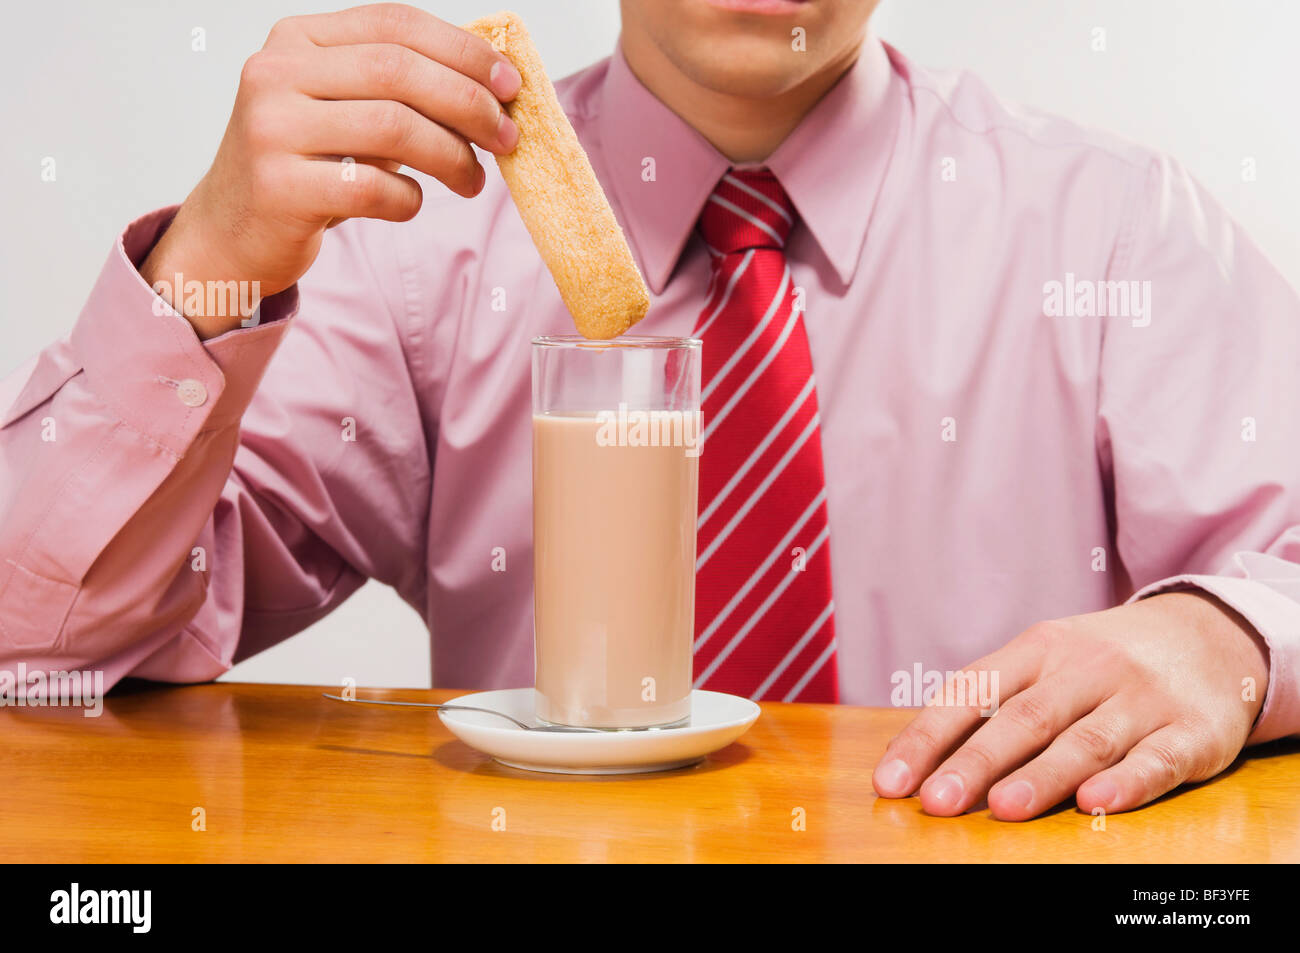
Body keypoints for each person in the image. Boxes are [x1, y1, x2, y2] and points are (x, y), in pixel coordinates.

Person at [1, 0, 1297, 822]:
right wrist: (212, 259)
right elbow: (35, 644)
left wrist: (1223, 639)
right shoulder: (410, 249)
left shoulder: (1118, 230)